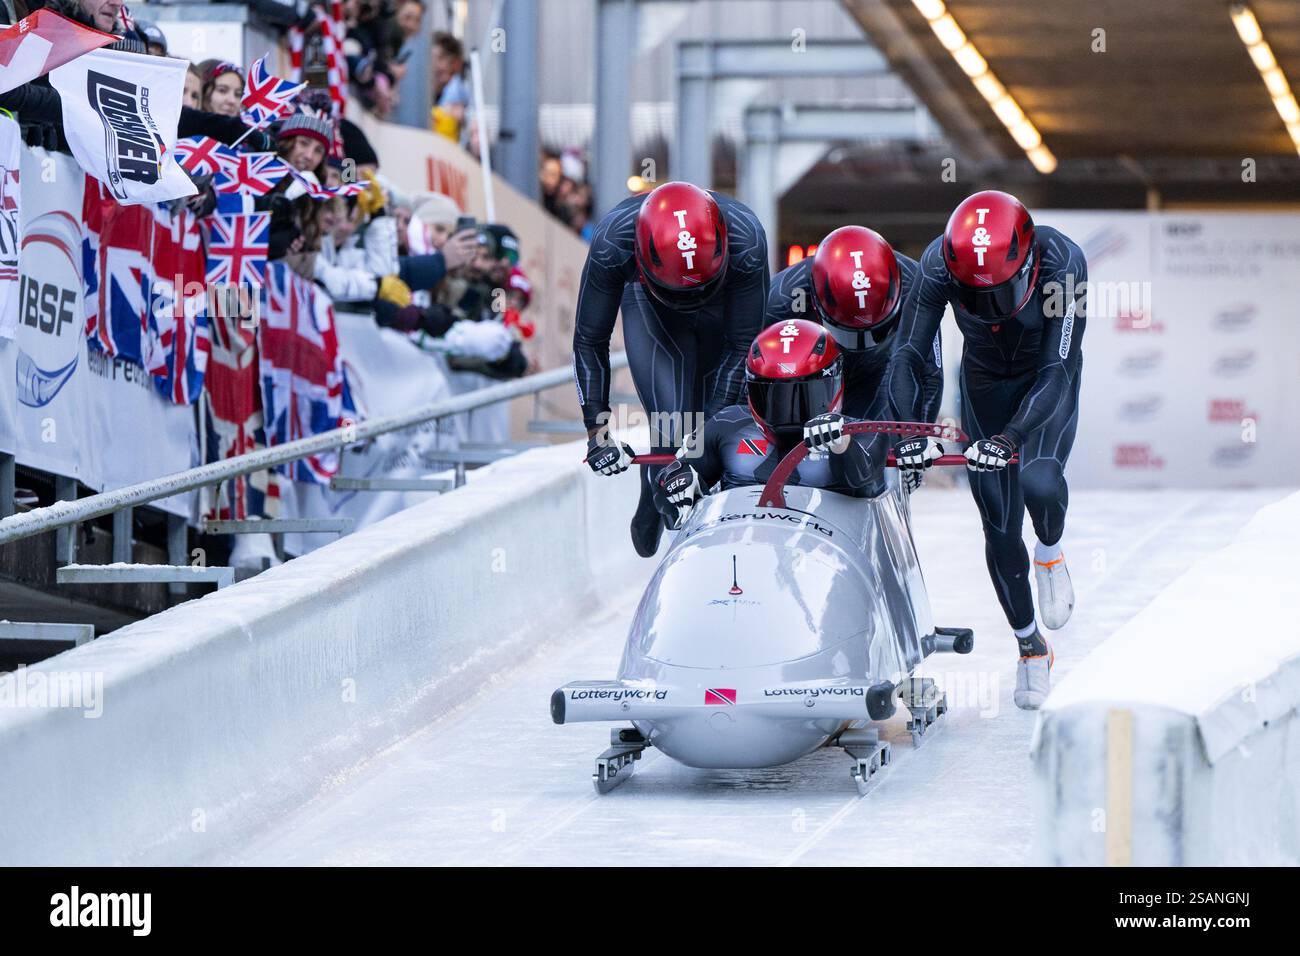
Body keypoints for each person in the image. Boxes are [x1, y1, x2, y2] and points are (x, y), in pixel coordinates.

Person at [886, 190, 1086, 710]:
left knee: (1038, 480)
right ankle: (1030, 648)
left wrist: (1011, 439)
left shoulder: (1065, 263)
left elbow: (1057, 370)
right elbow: (909, 355)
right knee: (998, 525)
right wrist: (911, 433)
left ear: (1027, 264)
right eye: (977, 298)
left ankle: (1050, 550)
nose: (989, 309)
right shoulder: (936, 264)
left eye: (1000, 293)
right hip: (984, 381)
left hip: (1044, 380)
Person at [575, 180, 769, 558]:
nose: (690, 299)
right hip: (652, 311)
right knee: (676, 422)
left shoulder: (747, 240)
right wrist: (597, 432)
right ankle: (657, 480)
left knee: (712, 434)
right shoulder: (613, 244)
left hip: (723, 312)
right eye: (684, 292)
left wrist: (703, 448)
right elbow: (589, 339)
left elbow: (745, 346)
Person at [652, 318, 884, 529]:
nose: (789, 414)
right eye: (776, 398)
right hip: (738, 545)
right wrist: (675, 483)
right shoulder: (727, 424)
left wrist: (842, 444)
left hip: (824, 557)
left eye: (804, 397)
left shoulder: (865, 433)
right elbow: (669, 482)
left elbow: (863, 480)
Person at [765, 225, 942, 490]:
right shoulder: (784, 295)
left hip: (882, 373)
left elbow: (928, 372)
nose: (860, 343)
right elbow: (757, 371)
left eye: (872, 330)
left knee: (865, 468)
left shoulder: (918, 287)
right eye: (850, 333)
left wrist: (915, 435)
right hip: (814, 380)